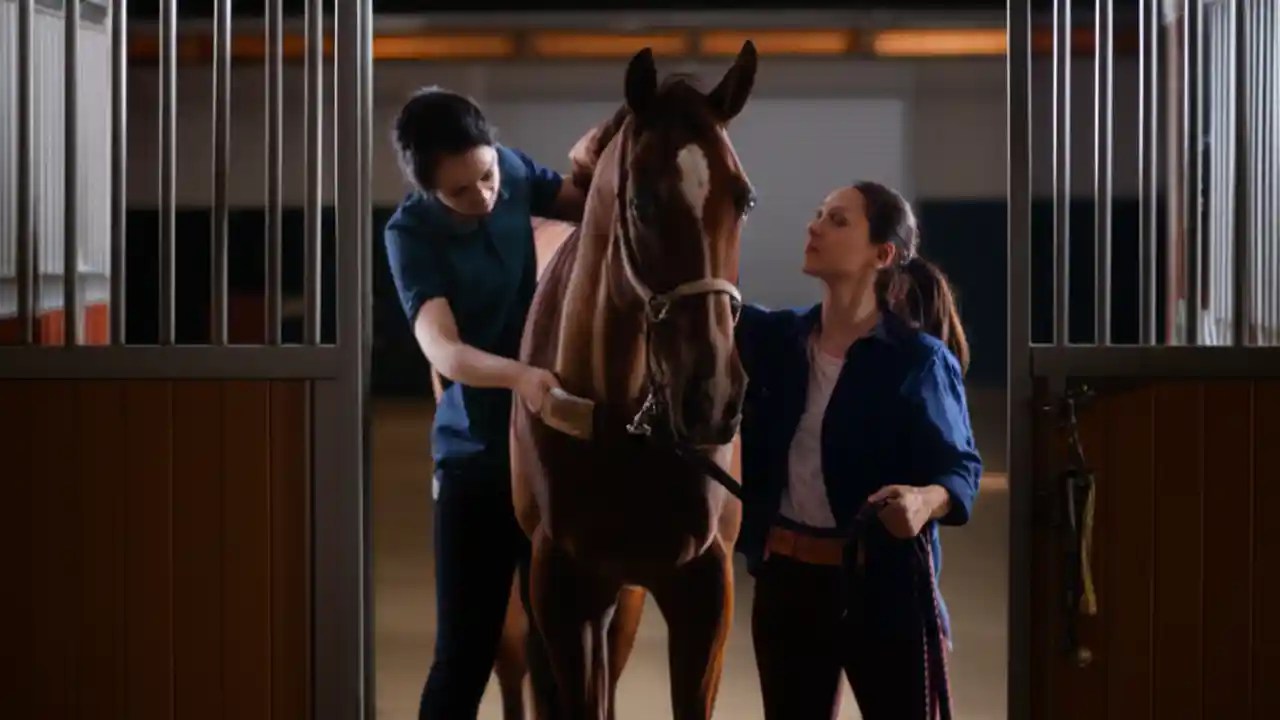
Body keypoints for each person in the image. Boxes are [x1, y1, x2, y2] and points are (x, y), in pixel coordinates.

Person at [733, 181, 983, 719]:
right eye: (818, 214)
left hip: (885, 591)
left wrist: (924, 501)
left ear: (883, 254)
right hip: (787, 589)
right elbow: (694, 299)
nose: (814, 226)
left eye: (838, 220)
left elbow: (961, 468)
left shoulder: (918, 360)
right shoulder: (773, 340)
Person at [382, 86, 591, 720]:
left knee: (562, 651)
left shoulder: (514, 170)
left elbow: (589, 203)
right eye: (460, 191)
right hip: (476, 456)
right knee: (464, 655)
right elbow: (443, 350)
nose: (484, 195)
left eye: (487, 175)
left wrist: (597, 155)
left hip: (547, 452)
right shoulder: (410, 233)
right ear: (427, 190)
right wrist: (521, 378)